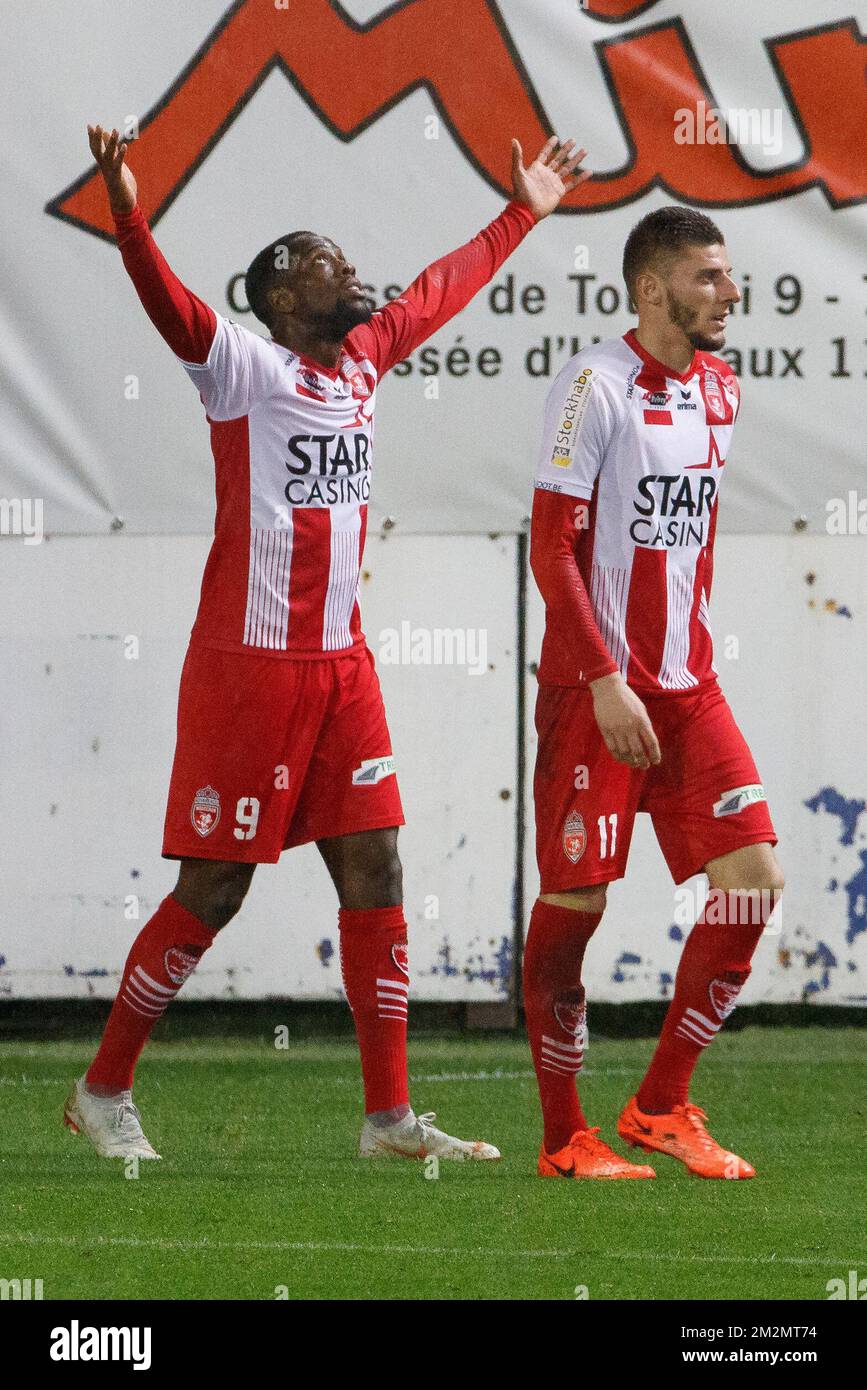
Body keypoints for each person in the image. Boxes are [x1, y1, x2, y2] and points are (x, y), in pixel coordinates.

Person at [65, 123, 589, 1163]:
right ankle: (100, 1087)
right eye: (322, 264)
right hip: (246, 669)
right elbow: (168, 302)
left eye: (345, 260)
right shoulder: (242, 370)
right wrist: (128, 213)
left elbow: (441, 288)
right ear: (279, 300)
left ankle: (387, 1117)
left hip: (344, 666)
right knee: (213, 890)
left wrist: (523, 209)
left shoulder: (366, 363)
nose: (348, 273)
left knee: (377, 864)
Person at [527, 206, 784, 1180]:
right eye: (709, 277)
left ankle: (661, 1104)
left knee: (751, 886)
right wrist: (603, 680)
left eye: (729, 275)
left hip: (689, 689)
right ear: (651, 287)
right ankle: (564, 1138)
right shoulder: (595, 384)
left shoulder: (722, 389)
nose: (729, 292)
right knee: (577, 902)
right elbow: (550, 548)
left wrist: (674, 671)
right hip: (596, 691)